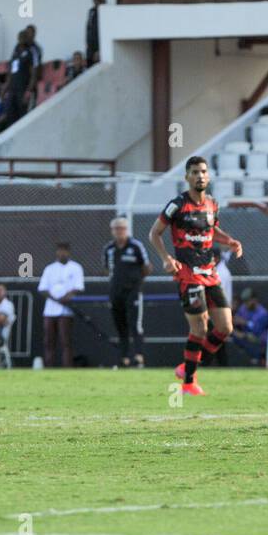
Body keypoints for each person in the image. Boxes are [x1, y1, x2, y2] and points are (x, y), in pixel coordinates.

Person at [149, 156, 243, 396]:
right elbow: (154, 233)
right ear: (187, 177)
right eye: (194, 172)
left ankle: (187, 366)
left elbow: (212, 229)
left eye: (203, 171)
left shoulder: (212, 203)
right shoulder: (177, 205)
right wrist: (166, 258)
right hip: (188, 273)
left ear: (208, 176)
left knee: (225, 327)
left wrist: (229, 240)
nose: (200, 176)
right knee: (199, 328)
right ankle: (188, 383)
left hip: (210, 273)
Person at [105, 216, 151, 368]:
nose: (119, 231)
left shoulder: (136, 246)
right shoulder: (109, 249)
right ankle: (123, 358)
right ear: (112, 231)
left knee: (135, 325)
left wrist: (136, 282)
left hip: (133, 291)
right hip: (115, 292)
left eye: (122, 228)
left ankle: (139, 357)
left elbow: (146, 267)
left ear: (127, 230)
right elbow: (107, 269)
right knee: (120, 325)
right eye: (116, 228)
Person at [37, 242, 84, 369]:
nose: (62, 253)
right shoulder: (49, 268)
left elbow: (78, 287)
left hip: (66, 310)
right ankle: (49, 368)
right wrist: (56, 299)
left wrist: (65, 298)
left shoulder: (76, 268)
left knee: (66, 341)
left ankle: (67, 368)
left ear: (69, 252)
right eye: (60, 251)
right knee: (49, 341)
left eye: (64, 251)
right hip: (50, 310)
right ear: (56, 252)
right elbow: (42, 288)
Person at [229, 288, 268, 364]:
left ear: (254, 300)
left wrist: (245, 323)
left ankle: (258, 361)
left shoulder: (263, 313)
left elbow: (257, 330)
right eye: (245, 301)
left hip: (258, 339)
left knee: (250, 339)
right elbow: (236, 320)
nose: (246, 304)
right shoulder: (243, 309)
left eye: (248, 301)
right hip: (243, 337)